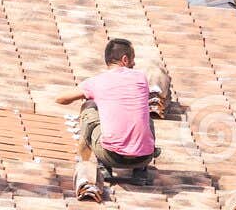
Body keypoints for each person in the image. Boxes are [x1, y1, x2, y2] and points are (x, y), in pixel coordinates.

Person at [54, 38, 168, 177]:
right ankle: (140, 171)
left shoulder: (97, 82)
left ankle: (93, 164)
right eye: (133, 59)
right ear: (125, 60)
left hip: (110, 156)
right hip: (144, 157)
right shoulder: (141, 78)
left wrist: (89, 95)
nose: (134, 63)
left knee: (88, 107)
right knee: (144, 116)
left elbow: (60, 99)